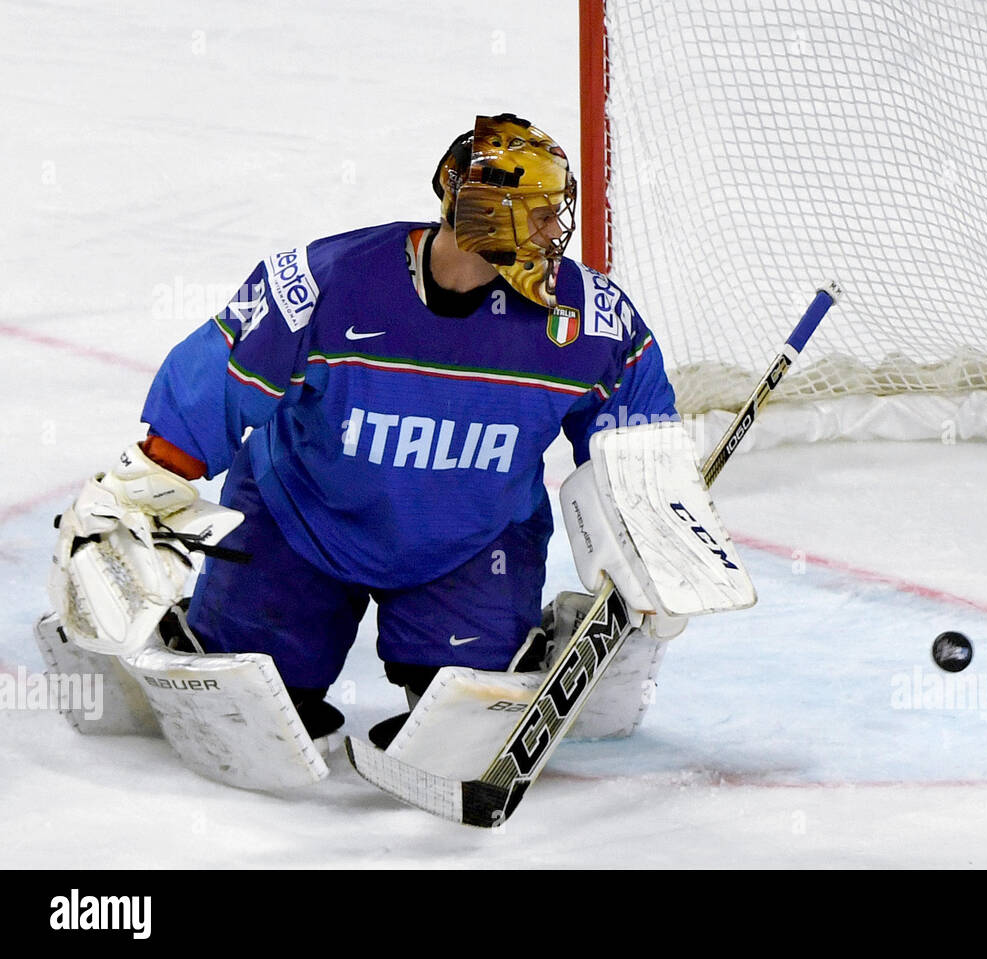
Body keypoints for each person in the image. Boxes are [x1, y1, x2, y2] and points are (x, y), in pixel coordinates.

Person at [91, 113, 678, 747]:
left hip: (472, 539)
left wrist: (653, 533)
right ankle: (199, 636)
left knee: (465, 714)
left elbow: (635, 437)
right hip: (302, 519)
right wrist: (145, 481)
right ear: (485, 211)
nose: (554, 229)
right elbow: (220, 377)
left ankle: (514, 649)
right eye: (537, 211)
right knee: (249, 702)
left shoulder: (587, 316)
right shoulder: (328, 281)